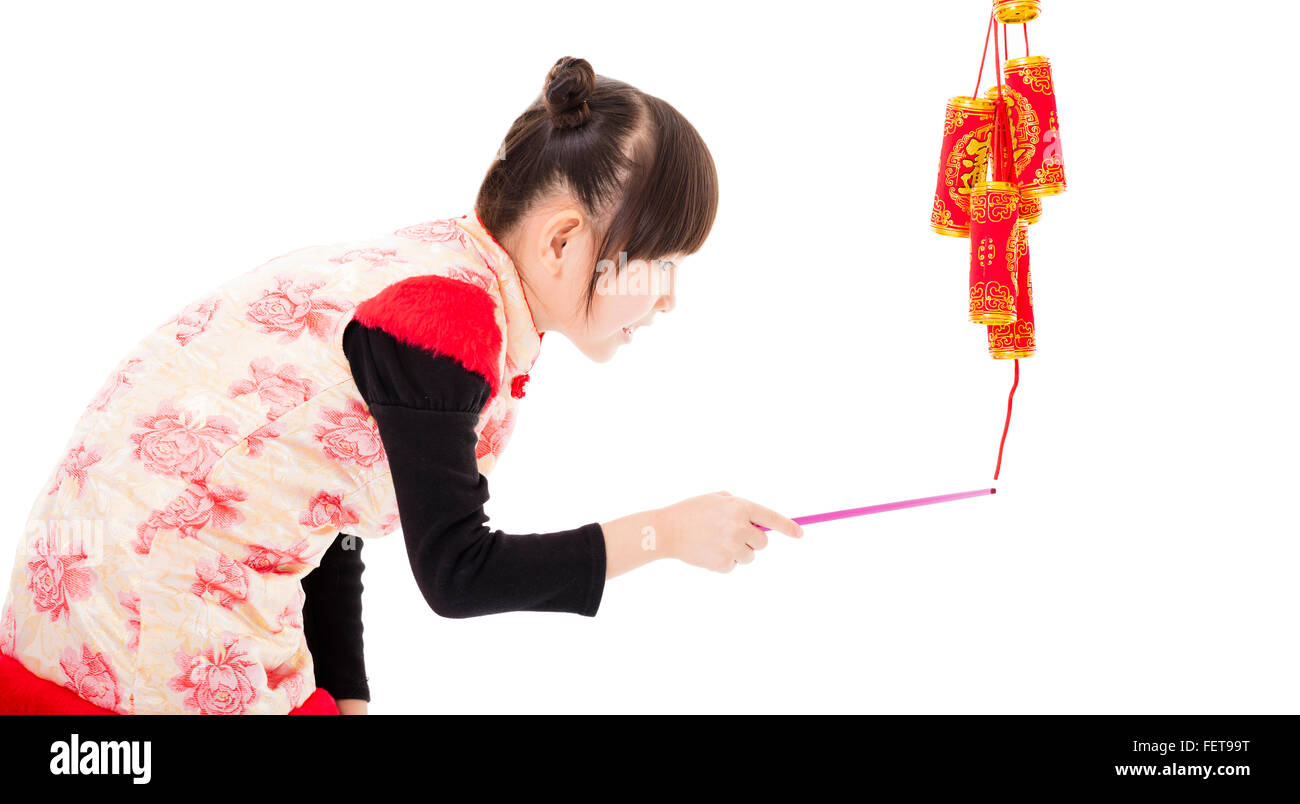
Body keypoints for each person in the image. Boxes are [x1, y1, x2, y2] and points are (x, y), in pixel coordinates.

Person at [0, 56, 803, 715]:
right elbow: (458, 572)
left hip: (90, 606)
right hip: (140, 628)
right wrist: (667, 534)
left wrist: (345, 697)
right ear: (564, 241)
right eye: (659, 266)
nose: (668, 298)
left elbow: (322, 507)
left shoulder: (439, 268)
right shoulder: (445, 319)